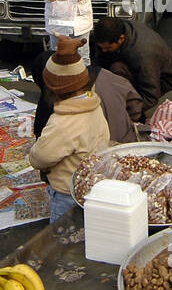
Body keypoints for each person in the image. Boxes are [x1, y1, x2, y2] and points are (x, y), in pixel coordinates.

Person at [25, 36, 111, 223]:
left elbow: (40, 157)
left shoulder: (63, 122)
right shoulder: (93, 103)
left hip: (67, 191)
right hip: (93, 183)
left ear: (51, 89)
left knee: (64, 239)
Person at [29, 45, 143, 143]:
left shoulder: (57, 101)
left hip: (98, 155)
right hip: (128, 142)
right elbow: (135, 104)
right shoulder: (105, 74)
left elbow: (43, 150)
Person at [92, 14, 172, 120]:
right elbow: (98, 65)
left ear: (121, 39)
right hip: (133, 61)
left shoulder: (143, 55)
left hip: (160, 79)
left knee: (117, 69)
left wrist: (131, 111)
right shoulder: (111, 32)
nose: (103, 50)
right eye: (101, 47)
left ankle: (132, 113)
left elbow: (150, 94)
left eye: (107, 47)